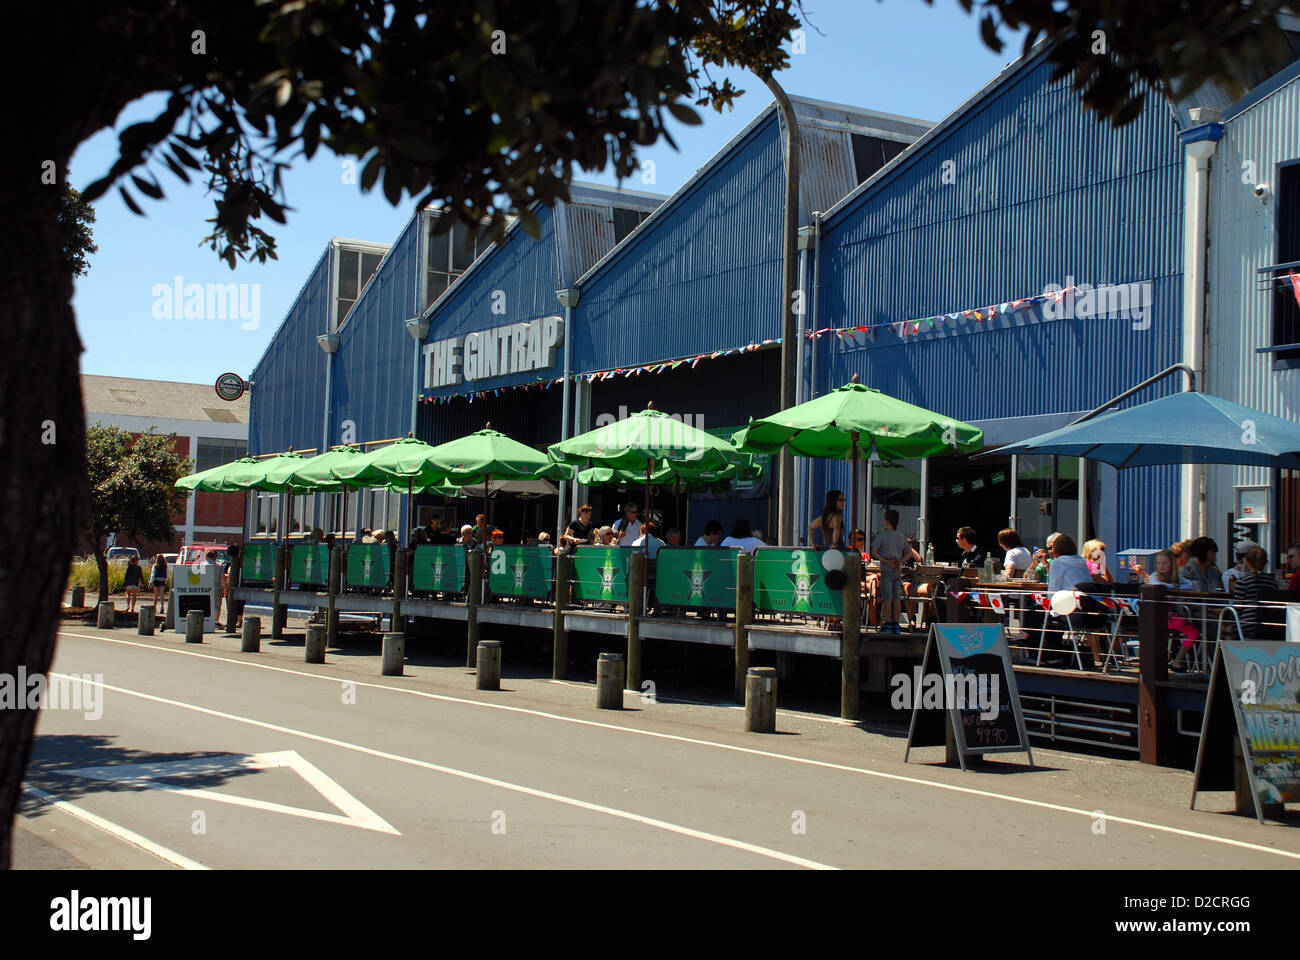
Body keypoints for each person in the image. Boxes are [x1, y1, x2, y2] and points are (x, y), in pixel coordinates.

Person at [1133, 549, 1200, 670]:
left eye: (1165, 563)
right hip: (1159, 617)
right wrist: (1174, 587)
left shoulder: (1176, 577)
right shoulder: (1154, 576)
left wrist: (1176, 586)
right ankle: (1156, 663)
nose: (1161, 566)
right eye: (1158, 563)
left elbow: (1191, 585)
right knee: (1178, 622)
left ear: (1172, 564)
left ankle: (1177, 661)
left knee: (1193, 632)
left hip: (1174, 617)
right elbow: (1157, 584)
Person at [872, 509, 908, 633]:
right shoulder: (901, 535)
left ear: (886, 522)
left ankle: (887, 624)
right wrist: (901, 560)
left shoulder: (883, 535)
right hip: (897, 569)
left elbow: (874, 551)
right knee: (897, 598)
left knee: (888, 598)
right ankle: (896, 624)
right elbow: (909, 552)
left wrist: (885, 560)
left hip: (887, 569)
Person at [1231, 546, 1279, 642]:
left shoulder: (1243, 581)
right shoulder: (1272, 582)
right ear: (1265, 563)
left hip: (1247, 625)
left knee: (1225, 630)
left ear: (1247, 562)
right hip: (1269, 625)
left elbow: (1237, 608)